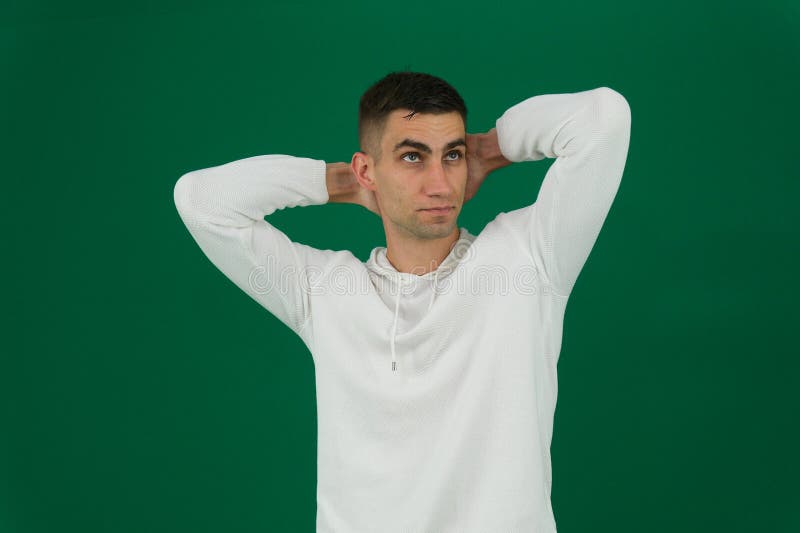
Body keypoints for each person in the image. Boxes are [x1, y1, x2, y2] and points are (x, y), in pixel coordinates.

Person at [173, 71, 631, 533]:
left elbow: (603, 118)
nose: (440, 183)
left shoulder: (528, 260)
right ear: (367, 169)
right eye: (413, 157)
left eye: (451, 155)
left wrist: (487, 149)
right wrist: (343, 184)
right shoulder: (325, 292)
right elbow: (201, 201)